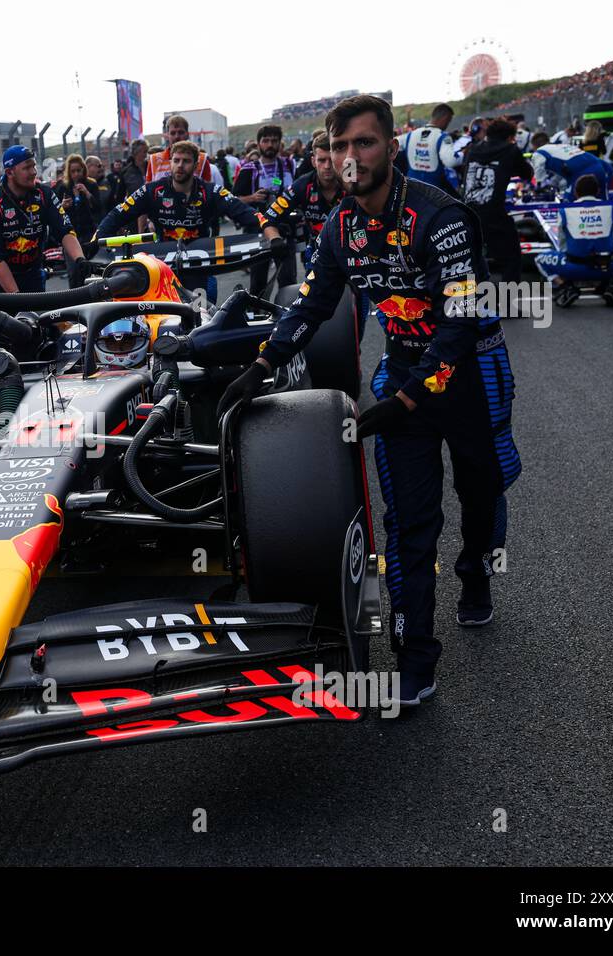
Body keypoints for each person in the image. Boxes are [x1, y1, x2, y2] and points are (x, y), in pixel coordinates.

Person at [218, 95, 521, 707]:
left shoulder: (444, 218)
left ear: (392, 147)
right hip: (406, 369)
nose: (349, 157)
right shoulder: (340, 229)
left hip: (471, 368)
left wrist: (412, 397)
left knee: (484, 489)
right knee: (410, 522)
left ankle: (476, 576)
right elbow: (310, 306)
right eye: (338, 146)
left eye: (363, 143)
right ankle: (414, 658)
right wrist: (261, 365)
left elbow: (461, 323)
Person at [96, 140, 273, 301]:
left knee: (198, 315)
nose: (180, 165)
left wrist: (273, 234)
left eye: (186, 161)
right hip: (161, 266)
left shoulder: (211, 191)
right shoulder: (152, 190)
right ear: (170, 163)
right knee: (162, 317)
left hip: (198, 265)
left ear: (196, 166)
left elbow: (247, 213)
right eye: (176, 160)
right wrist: (96, 247)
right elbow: (115, 216)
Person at [0, 144, 86, 294]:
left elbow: (65, 230)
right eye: (27, 168)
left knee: (37, 316)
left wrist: (81, 261)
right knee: (14, 316)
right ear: (10, 172)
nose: (34, 172)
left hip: (33, 274)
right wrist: (16, 296)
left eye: (34, 166)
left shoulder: (44, 194)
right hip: (1, 281)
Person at [533, 174, 613, 307]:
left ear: (576, 192)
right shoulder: (610, 207)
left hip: (573, 268)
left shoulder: (565, 210)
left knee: (539, 258)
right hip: (607, 266)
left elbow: (561, 242)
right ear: (598, 192)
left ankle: (565, 287)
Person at [461, 118, 533, 282]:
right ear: (510, 137)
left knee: (472, 262)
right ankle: (508, 306)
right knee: (512, 258)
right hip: (493, 214)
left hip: (467, 213)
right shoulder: (510, 149)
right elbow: (527, 174)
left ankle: (476, 303)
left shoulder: (472, 149)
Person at [263, 132, 346, 269]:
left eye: (331, 160)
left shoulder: (354, 182)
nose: (327, 166)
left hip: (353, 252)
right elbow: (268, 218)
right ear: (313, 161)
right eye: (321, 160)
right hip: (318, 253)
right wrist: (275, 239)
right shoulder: (302, 185)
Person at [233, 124, 297, 288]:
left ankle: (287, 312)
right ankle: (257, 312)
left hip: (285, 227)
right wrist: (253, 197)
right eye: (266, 140)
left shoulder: (289, 165)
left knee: (288, 279)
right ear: (258, 143)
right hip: (258, 229)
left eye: (274, 141)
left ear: (279, 143)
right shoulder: (249, 169)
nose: (270, 145)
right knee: (258, 281)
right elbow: (233, 200)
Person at [395, 104, 461, 193]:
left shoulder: (410, 135)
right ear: (445, 118)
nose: (447, 124)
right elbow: (451, 161)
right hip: (433, 192)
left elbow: (391, 146)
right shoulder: (443, 137)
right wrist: (464, 154)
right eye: (448, 121)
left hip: (410, 190)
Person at [531, 142, 613, 201]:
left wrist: (538, 185)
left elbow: (538, 169)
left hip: (580, 173)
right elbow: (609, 168)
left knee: (569, 202)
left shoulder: (538, 153)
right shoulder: (562, 147)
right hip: (599, 167)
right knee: (603, 203)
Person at [146, 115, 214, 183]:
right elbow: (148, 190)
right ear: (167, 136)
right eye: (173, 133)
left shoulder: (202, 159)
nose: (177, 136)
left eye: (181, 132)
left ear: (187, 134)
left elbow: (208, 189)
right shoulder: (154, 160)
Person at [54, 154, 101, 240]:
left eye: (78, 170)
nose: (76, 174)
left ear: (83, 169)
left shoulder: (91, 184)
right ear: (69, 172)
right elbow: (55, 211)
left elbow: (98, 207)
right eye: (73, 171)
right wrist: (62, 206)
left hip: (88, 230)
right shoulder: (62, 186)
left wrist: (87, 193)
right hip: (70, 230)